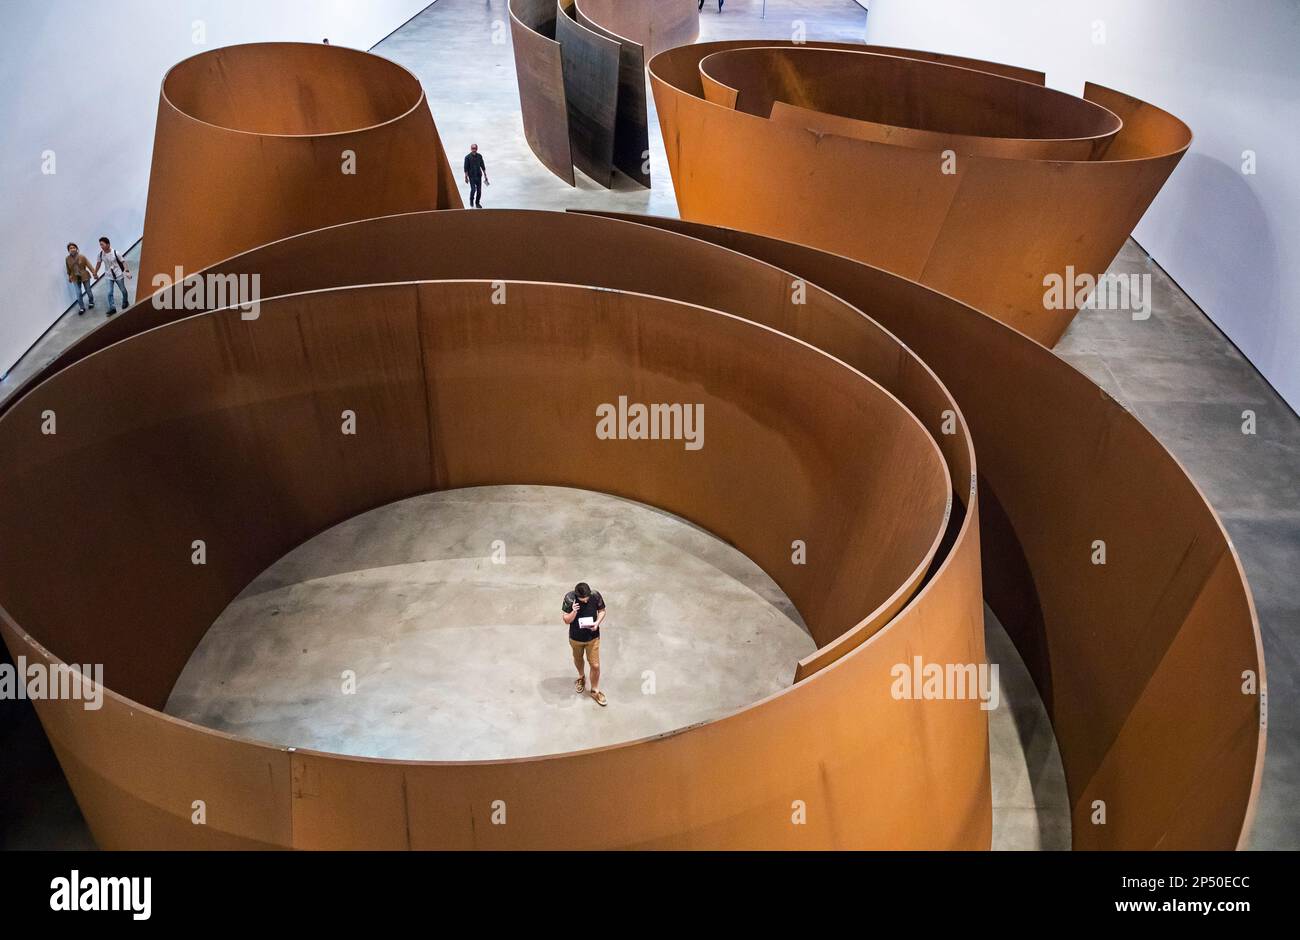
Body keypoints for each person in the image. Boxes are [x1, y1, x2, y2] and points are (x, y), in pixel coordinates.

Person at [562, 581, 607, 706]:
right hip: (576, 638)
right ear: (577, 596)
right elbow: (566, 620)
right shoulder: (570, 598)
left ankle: (595, 690)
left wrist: (597, 623)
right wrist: (574, 612)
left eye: (587, 598)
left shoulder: (595, 595)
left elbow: (602, 610)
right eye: (582, 599)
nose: (585, 600)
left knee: (595, 665)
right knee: (578, 659)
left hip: (593, 637)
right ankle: (581, 677)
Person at [93, 236, 130, 316]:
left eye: (102, 244)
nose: (101, 246)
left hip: (118, 274)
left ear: (108, 244)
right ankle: (112, 308)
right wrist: (95, 272)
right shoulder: (100, 254)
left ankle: (125, 301)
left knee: (123, 290)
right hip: (108, 276)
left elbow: (123, 262)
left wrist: (126, 271)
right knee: (109, 292)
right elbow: (98, 264)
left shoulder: (116, 253)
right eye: (100, 245)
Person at [65, 243, 96, 314]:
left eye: (73, 247)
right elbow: (68, 269)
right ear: (68, 250)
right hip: (74, 277)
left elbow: (89, 265)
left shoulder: (82, 257)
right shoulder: (67, 259)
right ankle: (82, 307)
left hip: (84, 275)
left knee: (88, 291)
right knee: (78, 293)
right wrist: (69, 276)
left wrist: (94, 273)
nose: (72, 249)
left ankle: (91, 302)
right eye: (70, 248)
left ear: (76, 249)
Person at [463, 143, 489, 208]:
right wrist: (466, 177)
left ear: (477, 149)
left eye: (475, 148)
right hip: (471, 176)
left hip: (478, 175)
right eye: (472, 148)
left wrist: (485, 176)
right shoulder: (467, 157)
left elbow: (483, 166)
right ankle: (471, 200)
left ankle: (477, 203)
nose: (474, 150)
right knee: (473, 189)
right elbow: (465, 168)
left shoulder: (479, 156)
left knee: (479, 190)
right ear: (471, 149)